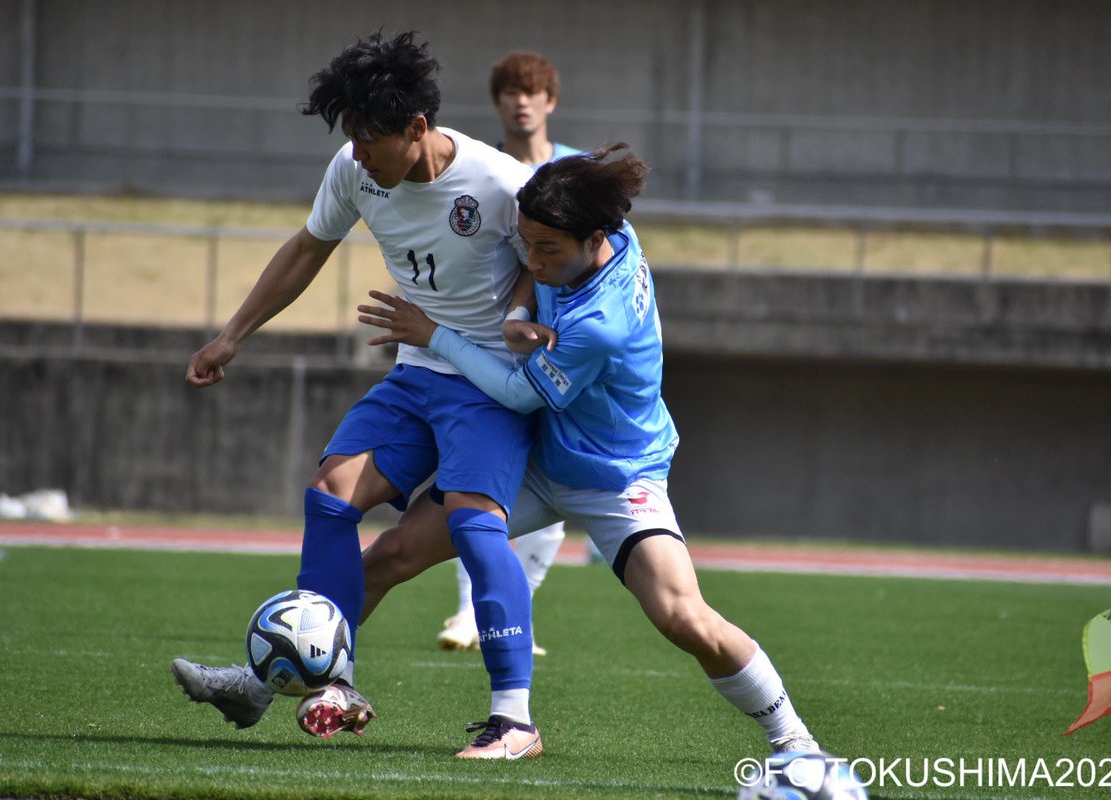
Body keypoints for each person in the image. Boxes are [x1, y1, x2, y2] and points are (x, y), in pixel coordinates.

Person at [354, 145, 821, 759]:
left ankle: (796, 741)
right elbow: (533, 261)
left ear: (595, 237)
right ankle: (269, 675)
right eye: (529, 245)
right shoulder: (598, 224)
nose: (536, 260)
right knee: (388, 556)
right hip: (542, 458)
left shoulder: (599, 322)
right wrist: (519, 310)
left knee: (684, 617)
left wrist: (433, 334)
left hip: (615, 476)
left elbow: (519, 394)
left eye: (550, 250)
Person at [170, 31, 544, 760]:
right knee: (330, 494)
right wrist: (232, 335)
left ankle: (514, 720)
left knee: (473, 526)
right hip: (415, 376)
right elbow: (308, 247)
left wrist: (520, 320)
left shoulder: (498, 184)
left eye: (370, 138)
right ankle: (328, 684)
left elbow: (547, 259)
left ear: (417, 129)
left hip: (489, 389)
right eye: (351, 137)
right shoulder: (354, 169)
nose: (357, 153)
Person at [438, 50, 583, 656]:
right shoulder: (484, 171)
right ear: (498, 102)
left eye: (533, 92)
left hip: (564, 349)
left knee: (551, 484)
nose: (521, 101)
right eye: (510, 92)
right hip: (493, 344)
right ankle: (469, 610)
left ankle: (515, 607)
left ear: (550, 101)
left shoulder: (578, 171)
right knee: (478, 482)